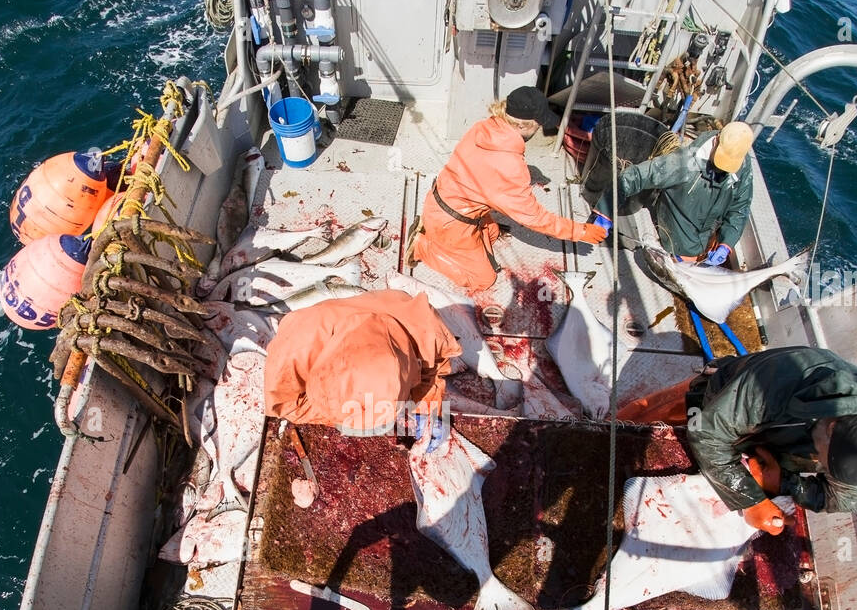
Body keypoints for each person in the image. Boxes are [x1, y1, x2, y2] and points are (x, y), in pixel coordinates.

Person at [681, 347, 857, 533]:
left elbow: (844, 499)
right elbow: (705, 432)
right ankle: (647, 408)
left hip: (764, 446)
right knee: (676, 417)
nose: (820, 463)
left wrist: (783, 482)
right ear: (832, 428)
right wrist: (751, 501)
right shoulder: (782, 380)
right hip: (718, 399)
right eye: (825, 461)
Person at [406, 86, 607, 291]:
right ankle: (422, 246)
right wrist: (579, 231)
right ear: (522, 124)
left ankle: (435, 232)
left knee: (492, 232)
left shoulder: (484, 127)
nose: (540, 129)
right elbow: (534, 218)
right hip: (452, 222)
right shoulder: (510, 167)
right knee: (484, 279)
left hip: (440, 200)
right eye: (538, 124)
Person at [263, 288, 462, 448]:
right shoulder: (290, 353)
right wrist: (336, 416)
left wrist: (429, 407)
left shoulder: (426, 329)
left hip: (388, 306)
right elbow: (287, 406)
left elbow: (435, 368)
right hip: (316, 321)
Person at [613, 120, 755, 264]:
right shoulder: (685, 161)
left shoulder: (742, 164)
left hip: (708, 230)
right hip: (678, 232)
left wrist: (727, 244)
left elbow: (740, 208)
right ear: (715, 141)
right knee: (686, 259)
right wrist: (604, 210)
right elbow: (638, 174)